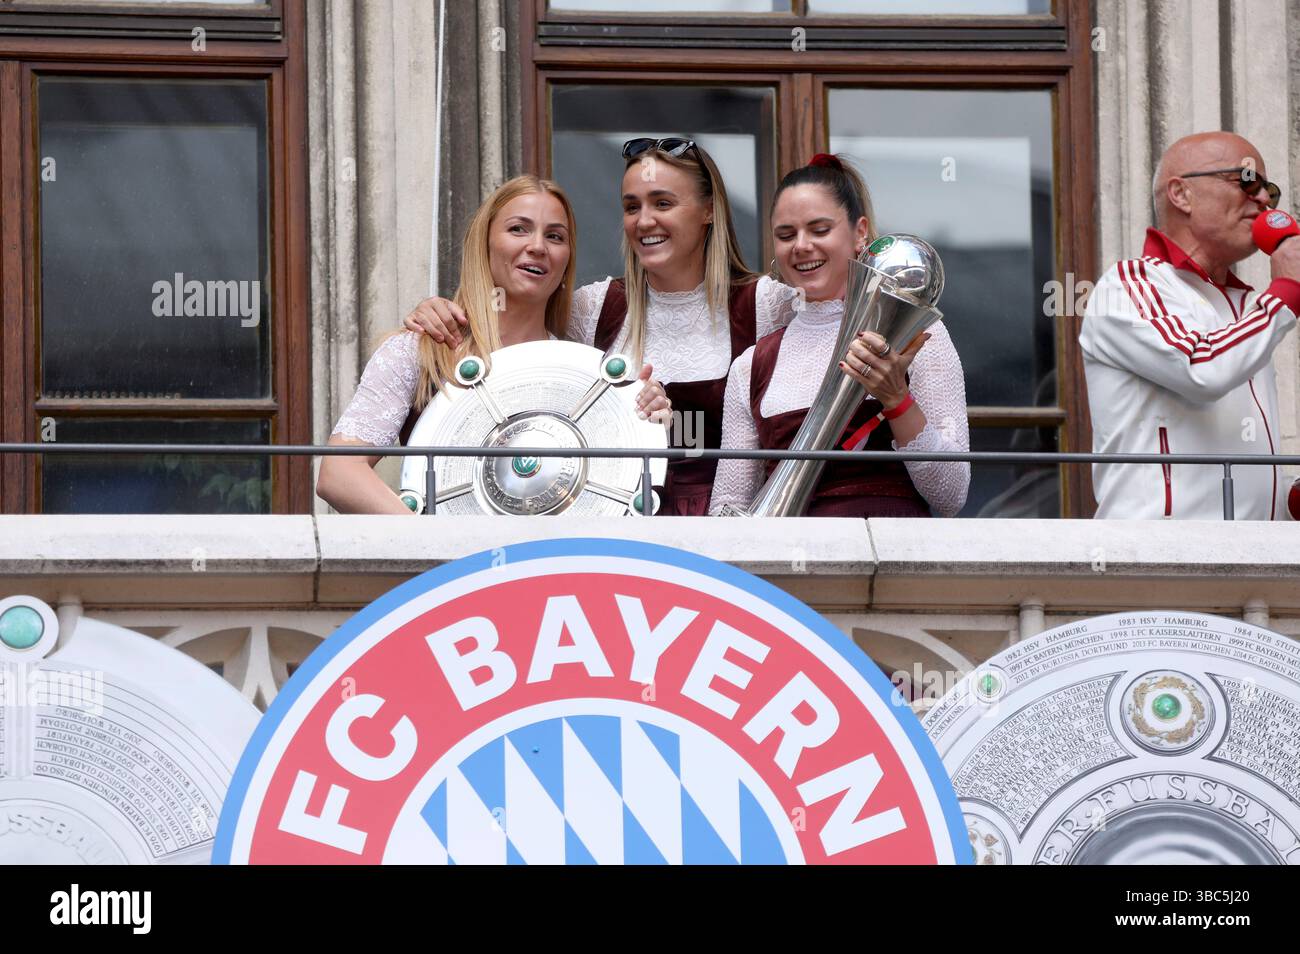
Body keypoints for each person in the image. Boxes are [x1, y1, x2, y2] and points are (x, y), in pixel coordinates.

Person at [403, 138, 801, 515]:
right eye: (632, 207)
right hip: (609, 528)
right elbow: (512, 339)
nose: (645, 221)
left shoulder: (765, 304)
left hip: (721, 531)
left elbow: (829, 327)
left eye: (662, 203)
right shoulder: (593, 307)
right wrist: (443, 310)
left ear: (708, 210)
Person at [317, 174, 669, 514]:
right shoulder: (420, 351)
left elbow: (612, 494)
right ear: (484, 243)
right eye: (518, 229)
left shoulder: (580, 372)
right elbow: (339, 474)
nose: (537, 246)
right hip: (455, 571)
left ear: (566, 262)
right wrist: (433, 545)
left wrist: (645, 417)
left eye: (555, 236)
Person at [709, 154, 970, 518]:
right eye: (786, 235)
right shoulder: (751, 366)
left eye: (819, 230)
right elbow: (727, 509)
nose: (801, 246)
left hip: (892, 559)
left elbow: (952, 493)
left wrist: (896, 399)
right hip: (789, 570)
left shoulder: (918, 334)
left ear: (860, 232)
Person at [1079, 131, 1300, 519]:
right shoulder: (1129, 284)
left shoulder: (1248, 307)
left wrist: (1290, 501)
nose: (1263, 199)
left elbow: (1237, 462)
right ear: (1182, 194)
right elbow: (1201, 368)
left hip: (1253, 565)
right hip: (1158, 563)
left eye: (1270, 190)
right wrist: (1286, 292)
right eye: (1247, 181)